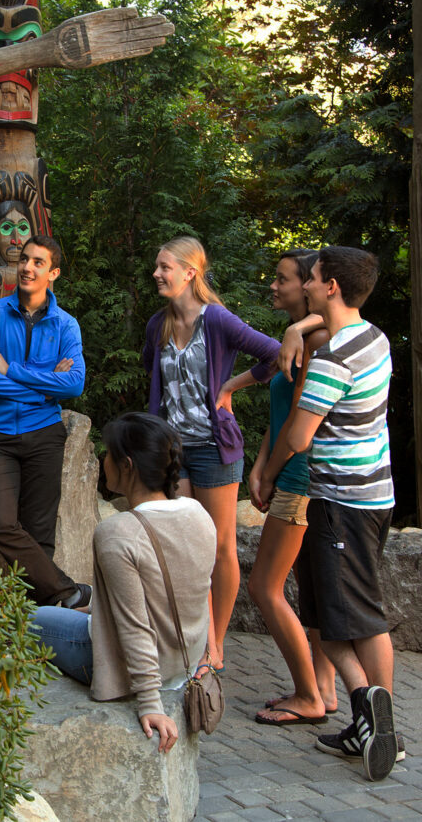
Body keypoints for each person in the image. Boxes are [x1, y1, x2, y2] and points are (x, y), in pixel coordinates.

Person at [258, 246, 398, 781]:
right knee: (332, 612)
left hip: (342, 500)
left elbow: (298, 434)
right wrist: (299, 330)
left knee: (349, 619)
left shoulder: (335, 358)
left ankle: (375, 714)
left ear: (331, 285)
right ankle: (370, 717)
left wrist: (268, 474)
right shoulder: (375, 339)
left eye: (312, 278)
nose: (308, 286)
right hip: (374, 494)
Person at [30, 413, 216, 748]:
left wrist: (149, 703)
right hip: (183, 661)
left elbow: (135, 627)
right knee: (74, 612)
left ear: (127, 465)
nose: (103, 460)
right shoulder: (197, 513)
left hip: (125, 665)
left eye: (108, 454)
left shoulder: (117, 532)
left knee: (26, 620)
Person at [142, 236, 280, 671]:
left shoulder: (217, 320)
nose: (157, 274)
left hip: (216, 449)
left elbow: (276, 354)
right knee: (188, 546)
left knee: (220, 546)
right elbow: (154, 376)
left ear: (190, 272)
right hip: (174, 449)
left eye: (165, 267)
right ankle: (194, 640)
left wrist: (229, 387)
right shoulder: (157, 325)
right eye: (157, 266)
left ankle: (215, 646)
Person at [0, 235, 89, 608]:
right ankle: (68, 591)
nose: (27, 267)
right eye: (24, 259)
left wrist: (14, 371)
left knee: (40, 534)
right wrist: (43, 389)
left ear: (52, 273)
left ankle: (37, 625)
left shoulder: (66, 325)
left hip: (44, 435)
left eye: (38, 262)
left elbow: (75, 382)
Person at [247, 250, 337, 725]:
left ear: (308, 285)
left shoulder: (317, 338)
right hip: (288, 471)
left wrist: (273, 472)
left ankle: (308, 697)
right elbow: (279, 415)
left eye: (282, 279)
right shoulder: (300, 338)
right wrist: (260, 465)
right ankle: (322, 686)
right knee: (305, 586)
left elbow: (301, 423)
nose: (273, 286)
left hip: (301, 478)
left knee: (264, 587)